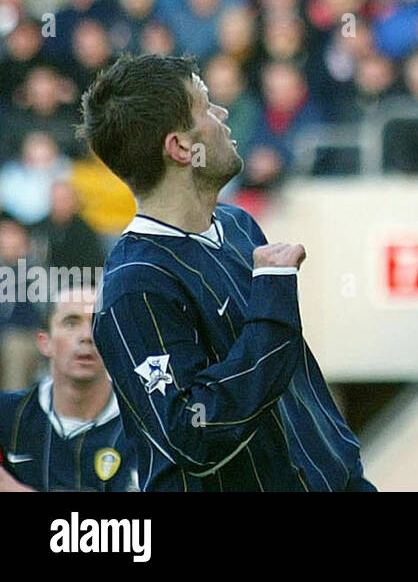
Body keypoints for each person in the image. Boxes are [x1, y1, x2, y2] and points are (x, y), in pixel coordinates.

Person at [80, 54, 373, 491]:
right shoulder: (133, 285)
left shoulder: (238, 226)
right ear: (180, 148)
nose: (222, 114)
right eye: (206, 105)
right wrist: (273, 304)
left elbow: (293, 390)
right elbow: (191, 437)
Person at [0, 288, 133, 492]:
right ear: (45, 343)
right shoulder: (8, 416)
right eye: (71, 323)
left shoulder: (143, 426)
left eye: (97, 322)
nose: (87, 336)